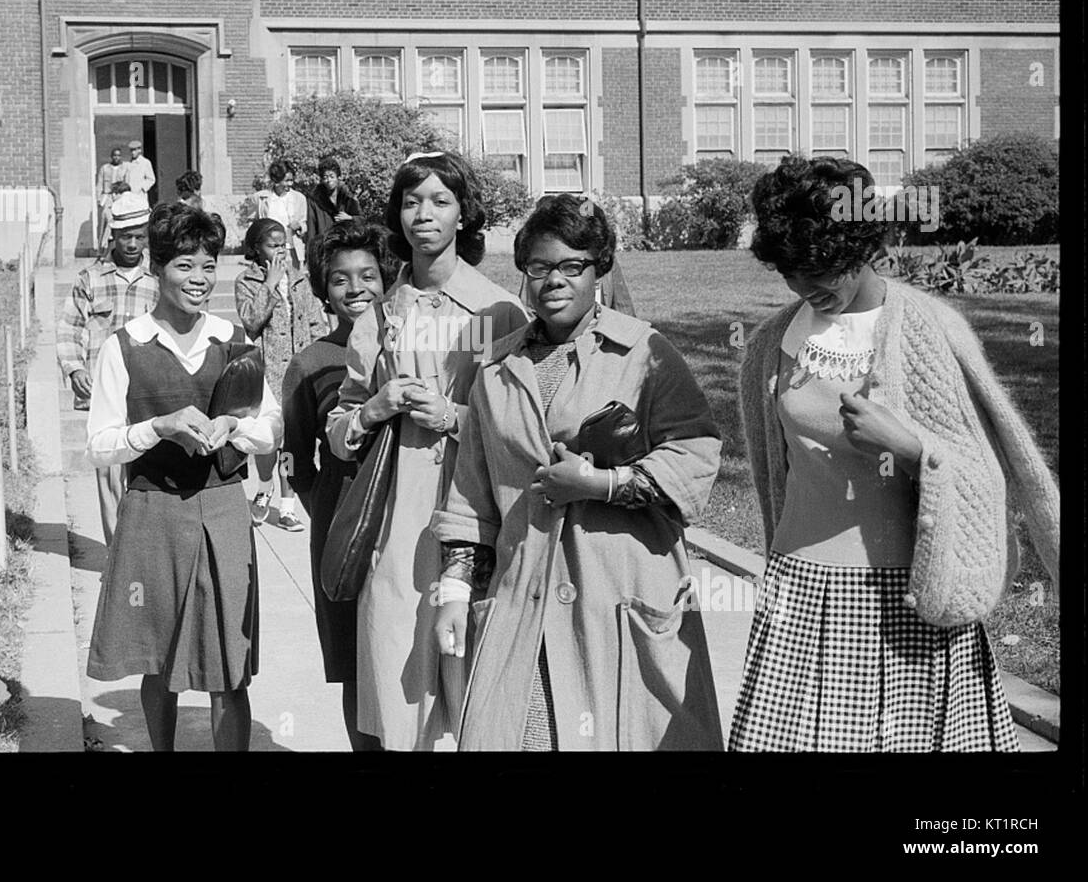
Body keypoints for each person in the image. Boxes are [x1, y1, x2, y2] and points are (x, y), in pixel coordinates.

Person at [730, 155, 1060, 752]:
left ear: (862, 248)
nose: (807, 287)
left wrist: (910, 449)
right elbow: (776, 470)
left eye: (823, 269)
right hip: (799, 588)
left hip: (906, 596)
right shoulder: (773, 341)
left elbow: (987, 477)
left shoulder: (929, 329)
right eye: (791, 273)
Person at [430, 194, 724, 750]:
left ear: (599, 270)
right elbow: (472, 497)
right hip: (524, 602)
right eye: (538, 267)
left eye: (572, 266)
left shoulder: (645, 353)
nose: (553, 281)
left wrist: (604, 485)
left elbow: (696, 453)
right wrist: (454, 590)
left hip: (618, 599)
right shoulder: (495, 370)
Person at [325, 150, 527, 751]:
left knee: (470, 681)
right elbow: (338, 431)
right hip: (395, 522)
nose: (424, 215)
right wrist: (372, 408)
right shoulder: (383, 313)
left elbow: (526, 430)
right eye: (412, 202)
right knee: (396, 679)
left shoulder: (499, 312)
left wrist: (456, 416)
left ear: (464, 214)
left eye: (440, 201)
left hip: (477, 517)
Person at [85, 202, 282, 752]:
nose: (199, 279)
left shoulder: (234, 341)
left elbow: (271, 427)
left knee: (228, 660)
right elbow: (99, 446)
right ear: (157, 268)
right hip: (153, 510)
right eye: (184, 266)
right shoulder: (123, 348)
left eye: (208, 265)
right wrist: (158, 428)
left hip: (222, 507)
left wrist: (234, 427)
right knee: (160, 651)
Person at [282, 221, 395, 751]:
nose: (356, 289)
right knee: (355, 660)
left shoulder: (420, 345)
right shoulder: (310, 363)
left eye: (368, 275)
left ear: (387, 276)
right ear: (322, 289)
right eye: (339, 279)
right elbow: (300, 462)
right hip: (342, 521)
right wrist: (336, 509)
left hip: (410, 515)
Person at [57, 193, 160, 546]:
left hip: (148, 390)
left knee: (147, 475)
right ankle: (118, 555)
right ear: (111, 237)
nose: (132, 244)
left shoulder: (159, 278)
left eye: (139, 235)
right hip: (105, 393)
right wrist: (74, 369)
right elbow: (70, 328)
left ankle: (145, 552)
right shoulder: (90, 279)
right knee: (110, 475)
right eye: (125, 236)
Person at [235, 217, 326, 531]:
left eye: (283, 245)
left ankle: (287, 506)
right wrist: (269, 286)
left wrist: (317, 358)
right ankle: (264, 487)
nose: (280, 252)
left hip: (299, 371)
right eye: (272, 245)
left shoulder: (300, 278)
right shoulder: (247, 282)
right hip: (268, 372)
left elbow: (315, 321)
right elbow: (251, 322)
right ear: (257, 249)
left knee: (292, 442)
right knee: (267, 440)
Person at [517, 196, 636, 318]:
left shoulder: (604, 262)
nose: (555, 279)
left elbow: (623, 306)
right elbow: (526, 306)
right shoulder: (536, 270)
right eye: (541, 267)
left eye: (572, 267)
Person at [241, 160, 311, 266]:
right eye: (286, 180)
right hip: (268, 250)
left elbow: (304, 224)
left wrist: (299, 227)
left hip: (291, 250)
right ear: (276, 180)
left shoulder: (299, 198)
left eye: (291, 180)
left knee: (292, 279)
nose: (290, 184)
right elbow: (251, 223)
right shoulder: (260, 198)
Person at [307, 157, 362, 246]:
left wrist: (350, 218)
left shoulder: (347, 196)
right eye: (325, 177)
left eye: (332, 177)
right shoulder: (315, 200)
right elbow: (311, 229)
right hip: (324, 244)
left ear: (338, 177)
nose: (329, 180)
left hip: (345, 244)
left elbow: (361, 220)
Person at [96, 147, 129, 252]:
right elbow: (99, 185)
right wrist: (98, 198)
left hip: (119, 197)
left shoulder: (124, 168)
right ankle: (102, 247)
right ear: (111, 156)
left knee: (117, 221)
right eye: (114, 155)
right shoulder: (105, 168)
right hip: (108, 196)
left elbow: (126, 185)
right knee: (106, 221)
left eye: (118, 155)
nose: (116, 157)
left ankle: (112, 246)